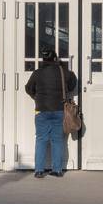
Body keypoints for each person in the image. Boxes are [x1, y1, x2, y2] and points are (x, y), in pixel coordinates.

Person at [24, 47, 78, 178]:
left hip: (41, 110)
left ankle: (39, 170)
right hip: (59, 109)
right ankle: (57, 170)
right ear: (55, 58)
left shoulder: (37, 73)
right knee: (58, 140)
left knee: (41, 139)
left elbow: (28, 88)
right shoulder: (63, 72)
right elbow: (73, 84)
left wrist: (37, 97)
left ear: (43, 59)